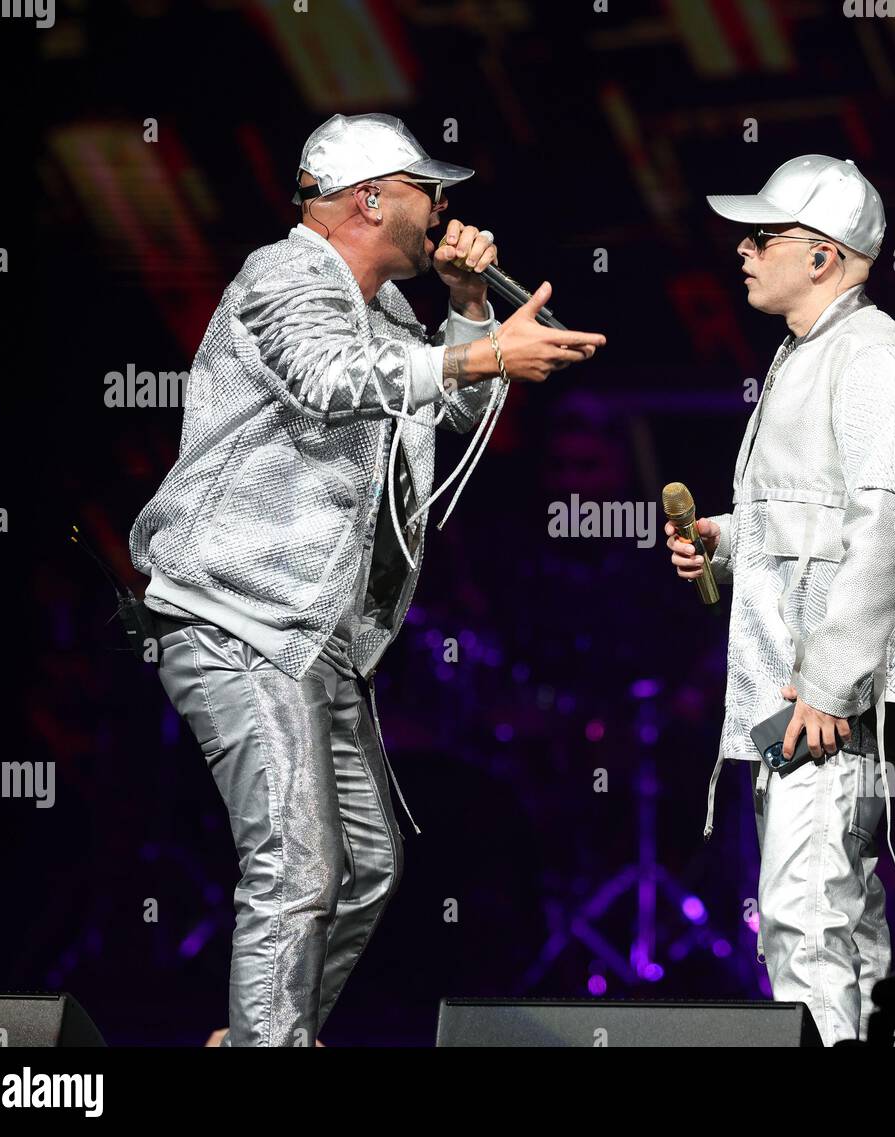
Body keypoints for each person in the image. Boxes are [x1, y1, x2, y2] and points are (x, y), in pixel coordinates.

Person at [129, 113, 605, 1046]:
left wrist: (470, 308)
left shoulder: (386, 311)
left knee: (367, 866)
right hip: (238, 620)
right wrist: (478, 350)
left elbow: (440, 412)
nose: (441, 209)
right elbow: (329, 376)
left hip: (318, 640)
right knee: (300, 864)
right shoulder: (284, 276)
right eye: (428, 190)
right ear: (371, 199)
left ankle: (270, 1030)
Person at [663, 155, 895, 1045]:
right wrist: (723, 536)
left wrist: (829, 683)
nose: (743, 251)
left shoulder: (876, 361)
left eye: (764, 236)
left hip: (828, 711)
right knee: (843, 924)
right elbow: (805, 518)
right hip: (799, 706)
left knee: (805, 919)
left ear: (823, 256)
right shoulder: (816, 356)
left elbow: (886, 533)